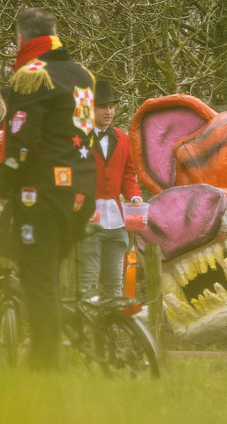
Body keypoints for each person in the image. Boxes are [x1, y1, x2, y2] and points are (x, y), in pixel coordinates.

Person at [0, 8, 97, 370]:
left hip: (41, 194)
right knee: (51, 276)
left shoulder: (32, 76)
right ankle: (54, 354)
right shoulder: (82, 74)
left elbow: (23, 144)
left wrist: (2, 182)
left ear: (22, 39)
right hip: (81, 192)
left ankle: (45, 366)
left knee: (39, 280)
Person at [80, 79, 143, 298]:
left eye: (111, 107)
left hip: (116, 220)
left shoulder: (122, 138)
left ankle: (113, 331)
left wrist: (134, 195)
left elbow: (128, 174)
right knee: (88, 282)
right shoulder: (79, 138)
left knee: (115, 285)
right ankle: (88, 331)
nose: (108, 111)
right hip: (89, 218)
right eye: (102, 107)